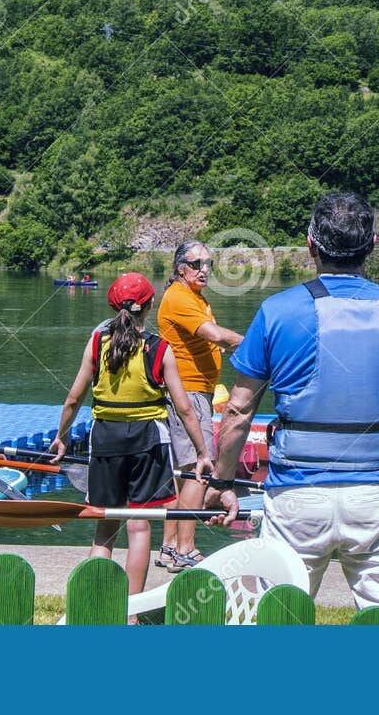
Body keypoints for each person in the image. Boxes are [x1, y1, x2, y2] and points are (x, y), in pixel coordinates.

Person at [209, 192, 379, 618]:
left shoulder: (276, 311)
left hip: (295, 497)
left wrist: (222, 484)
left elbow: (237, 411)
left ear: (310, 245)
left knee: (277, 621)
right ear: (372, 245)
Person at [52, 273, 212, 593]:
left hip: (105, 438)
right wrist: (202, 453)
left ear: (113, 305)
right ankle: (131, 612)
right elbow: (184, 409)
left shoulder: (97, 342)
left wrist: (62, 436)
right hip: (147, 441)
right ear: (150, 305)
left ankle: (95, 606)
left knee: (104, 528)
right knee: (139, 529)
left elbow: (73, 398)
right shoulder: (160, 348)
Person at [155, 240, 244, 571]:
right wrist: (253, 346)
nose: (204, 269)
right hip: (189, 393)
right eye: (197, 264)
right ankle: (185, 550)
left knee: (183, 475)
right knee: (198, 470)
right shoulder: (179, 297)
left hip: (196, 391)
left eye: (209, 263)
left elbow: (207, 340)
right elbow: (214, 334)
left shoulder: (194, 297)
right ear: (181, 269)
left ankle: (169, 547)